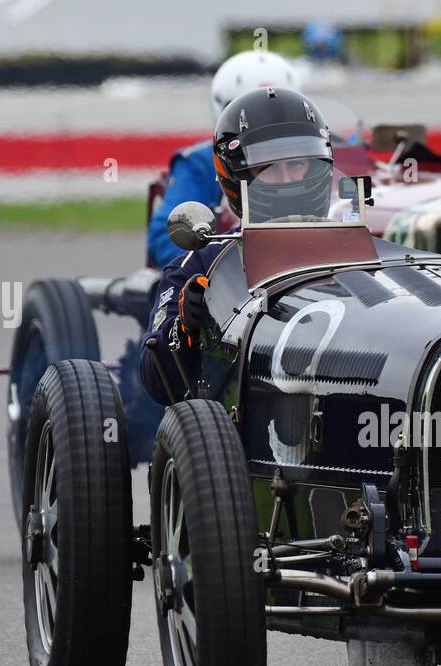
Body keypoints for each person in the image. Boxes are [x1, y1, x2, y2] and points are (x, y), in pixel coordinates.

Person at [139, 87, 334, 406]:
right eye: (267, 167)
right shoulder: (199, 266)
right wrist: (186, 326)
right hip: (234, 438)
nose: (285, 178)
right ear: (235, 174)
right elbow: (153, 379)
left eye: (296, 164)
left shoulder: (361, 255)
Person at [145, 50, 302, 266]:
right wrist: (217, 264)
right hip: (240, 277)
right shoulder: (201, 162)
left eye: (277, 110)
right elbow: (168, 238)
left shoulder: (326, 152)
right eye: (250, 113)